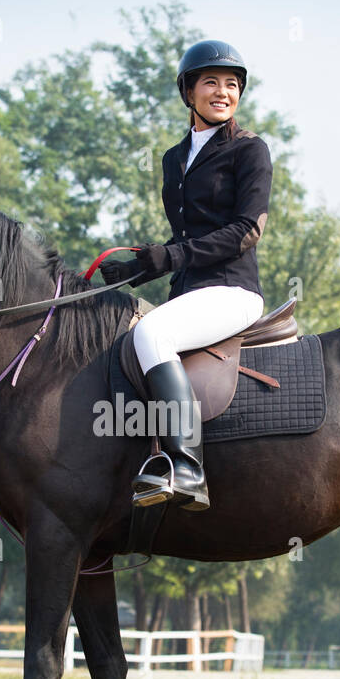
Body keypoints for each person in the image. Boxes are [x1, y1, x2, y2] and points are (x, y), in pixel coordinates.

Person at [100, 39, 273, 512]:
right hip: (188, 293)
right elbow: (184, 236)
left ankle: (187, 466)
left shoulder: (250, 150)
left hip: (232, 290)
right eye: (212, 82)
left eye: (232, 85)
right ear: (189, 90)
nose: (223, 92)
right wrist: (140, 266)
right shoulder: (174, 159)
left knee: (152, 335)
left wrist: (168, 258)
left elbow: (245, 231)